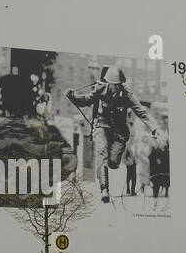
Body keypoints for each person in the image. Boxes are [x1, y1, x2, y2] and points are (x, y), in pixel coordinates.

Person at [66, 66, 160, 203]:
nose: (116, 88)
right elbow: (86, 100)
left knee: (114, 162)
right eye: (113, 85)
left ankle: (112, 163)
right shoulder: (100, 89)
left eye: (118, 85)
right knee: (101, 154)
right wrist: (73, 96)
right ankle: (104, 190)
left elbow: (141, 111)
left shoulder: (127, 94)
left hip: (119, 132)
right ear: (108, 82)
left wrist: (154, 128)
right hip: (102, 126)